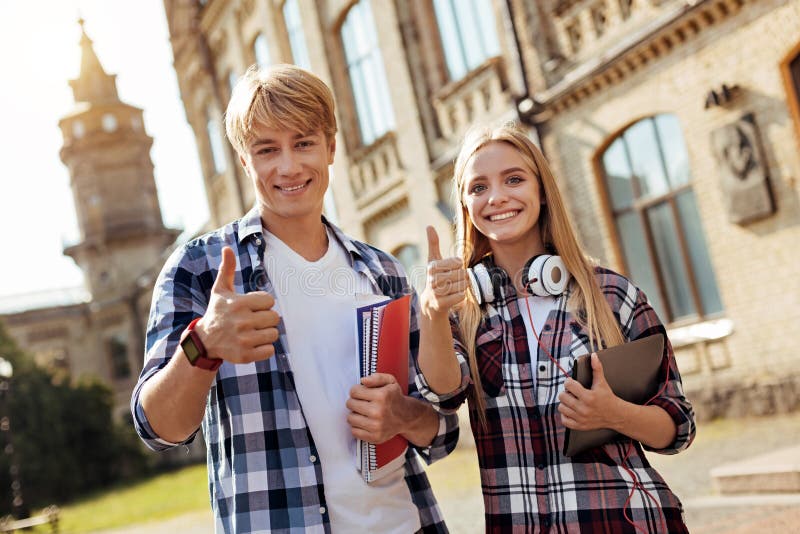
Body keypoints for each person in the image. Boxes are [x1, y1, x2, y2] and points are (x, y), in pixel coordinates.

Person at [131, 64, 459, 533]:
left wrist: (403, 414)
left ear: (330, 147)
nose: (288, 166)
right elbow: (158, 428)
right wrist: (202, 346)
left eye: (303, 143)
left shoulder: (382, 272)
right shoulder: (199, 270)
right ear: (246, 161)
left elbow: (442, 431)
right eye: (267, 149)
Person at [416, 122, 696, 533]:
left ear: (542, 191)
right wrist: (433, 311)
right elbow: (443, 392)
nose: (497, 197)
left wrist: (615, 413)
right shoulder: (462, 312)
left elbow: (678, 427)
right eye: (478, 187)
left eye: (514, 179)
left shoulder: (613, 296)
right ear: (464, 204)